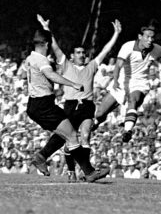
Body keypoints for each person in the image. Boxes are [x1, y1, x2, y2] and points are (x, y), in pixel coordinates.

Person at [37, 15, 122, 181]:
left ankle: (87, 171)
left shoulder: (91, 66)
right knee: (69, 139)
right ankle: (71, 170)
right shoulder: (66, 65)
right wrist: (46, 28)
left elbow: (105, 51)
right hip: (71, 105)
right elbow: (54, 46)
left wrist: (116, 34)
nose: (82, 55)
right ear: (72, 55)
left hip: (87, 106)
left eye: (83, 53)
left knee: (85, 135)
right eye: (78, 53)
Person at [18, 27, 107, 182]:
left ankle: (42, 157)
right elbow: (51, 75)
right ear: (45, 44)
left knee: (65, 134)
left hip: (35, 104)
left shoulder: (30, 58)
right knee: (72, 135)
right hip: (43, 105)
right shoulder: (41, 59)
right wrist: (72, 84)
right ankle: (89, 172)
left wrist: (46, 28)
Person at [94, 23, 161, 143]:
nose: (150, 40)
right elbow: (118, 65)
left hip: (140, 82)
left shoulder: (156, 49)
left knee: (133, 101)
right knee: (100, 113)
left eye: (152, 37)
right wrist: (116, 81)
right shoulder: (128, 46)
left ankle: (127, 131)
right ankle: (97, 122)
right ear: (140, 36)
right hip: (122, 80)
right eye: (147, 37)